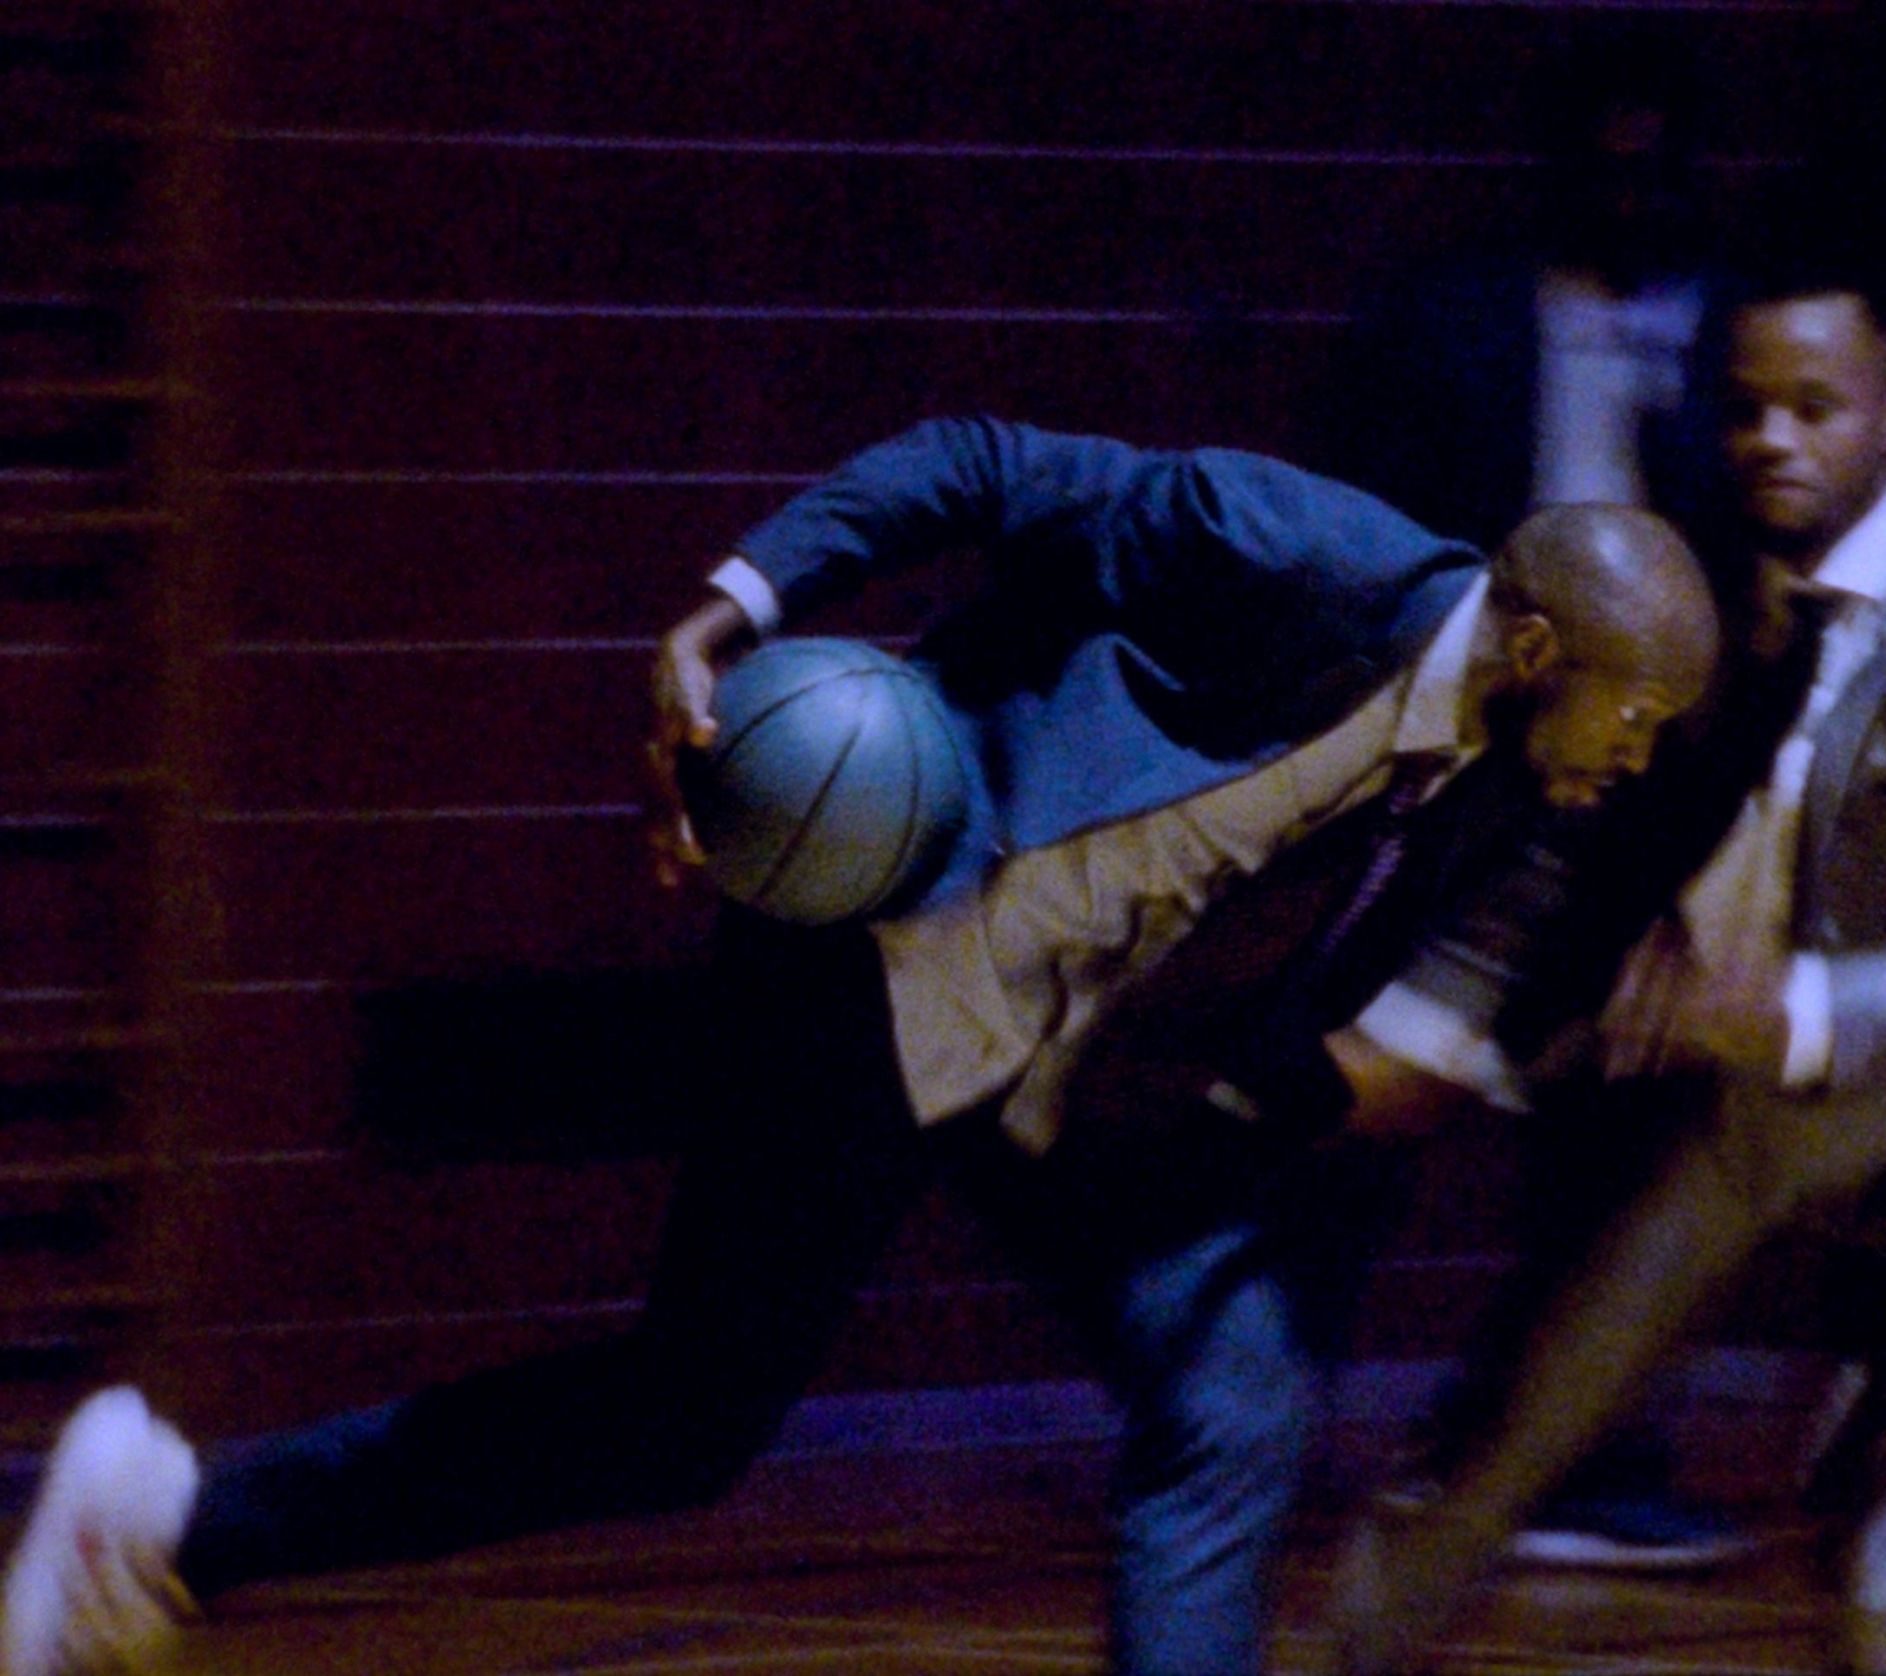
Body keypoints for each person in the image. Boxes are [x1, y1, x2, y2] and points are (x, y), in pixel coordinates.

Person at [0, 418, 1719, 1676]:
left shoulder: (1508, 791)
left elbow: (1375, 1023)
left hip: (1054, 1053)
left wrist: (1366, 1077)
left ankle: (172, 1523)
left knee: (1229, 1396)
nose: (1635, 755)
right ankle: (163, 1520)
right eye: (1634, 714)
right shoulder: (1298, 550)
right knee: (688, 1420)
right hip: (870, 953)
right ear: (1543, 649)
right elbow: (982, 465)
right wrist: (735, 604)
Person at [1327, 252, 1886, 1676]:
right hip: (1729, 1103)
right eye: (1749, 408)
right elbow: (1571, 829)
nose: (1773, 440)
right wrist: (1448, 1016)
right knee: (1479, 1477)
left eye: (1817, 408)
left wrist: (1802, 1005)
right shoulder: (1690, 586)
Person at [1318, 32, 1762, 1572]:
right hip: (1467, 766)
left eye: (1663, 159)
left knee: (1626, 1125)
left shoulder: (1728, 345)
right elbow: (1357, 523)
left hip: (1654, 792)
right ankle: (1256, 1394)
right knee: (1368, 1100)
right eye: (1610, 157)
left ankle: (1575, 1450)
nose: (1636, 188)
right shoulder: (1452, 321)